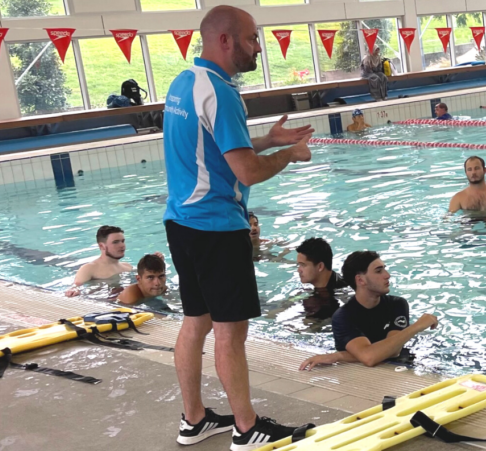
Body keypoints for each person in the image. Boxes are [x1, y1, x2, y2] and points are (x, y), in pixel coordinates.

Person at [163, 5, 315, 449]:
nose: (258, 47)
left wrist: (267, 140)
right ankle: (247, 430)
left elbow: (214, 148)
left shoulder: (185, 82)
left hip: (182, 222)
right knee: (230, 332)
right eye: (251, 38)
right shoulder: (222, 93)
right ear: (225, 40)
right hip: (215, 227)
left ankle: (193, 420)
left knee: (196, 322)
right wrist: (288, 155)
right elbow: (246, 171)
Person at [298, 251, 439, 370]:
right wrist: (417, 326)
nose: (387, 275)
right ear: (360, 280)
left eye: (384, 269)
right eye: (379, 271)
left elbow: (394, 350)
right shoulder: (343, 317)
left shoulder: (396, 304)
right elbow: (369, 358)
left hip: (400, 364)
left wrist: (338, 356)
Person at [65, 225, 137, 297]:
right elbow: (76, 286)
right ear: (102, 246)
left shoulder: (128, 267)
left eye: (122, 241)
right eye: (115, 242)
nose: (122, 245)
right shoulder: (89, 269)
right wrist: (74, 289)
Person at [295, 237, 348, 321]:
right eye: (299, 265)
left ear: (320, 266)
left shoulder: (330, 303)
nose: (299, 270)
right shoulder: (336, 280)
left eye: (303, 265)